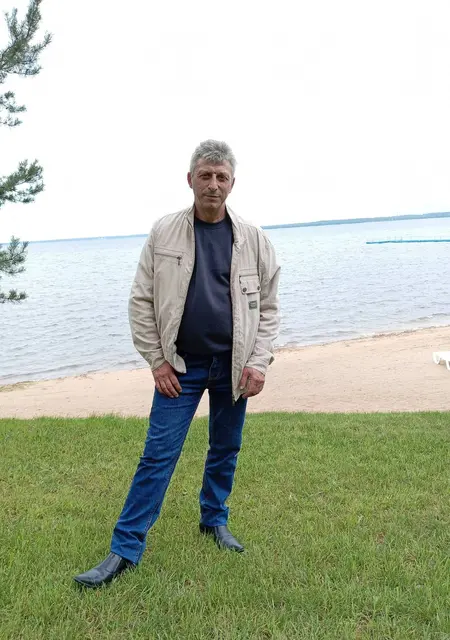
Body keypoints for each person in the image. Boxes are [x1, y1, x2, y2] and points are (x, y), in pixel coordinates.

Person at [74, 140, 281, 588]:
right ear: (190, 180)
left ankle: (214, 520)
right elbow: (141, 300)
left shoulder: (254, 239)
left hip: (233, 366)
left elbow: (268, 307)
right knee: (157, 456)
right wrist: (157, 362)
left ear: (232, 183)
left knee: (225, 448)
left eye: (221, 177)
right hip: (180, 368)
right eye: (205, 175)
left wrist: (259, 362)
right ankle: (124, 550)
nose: (213, 184)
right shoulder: (164, 232)